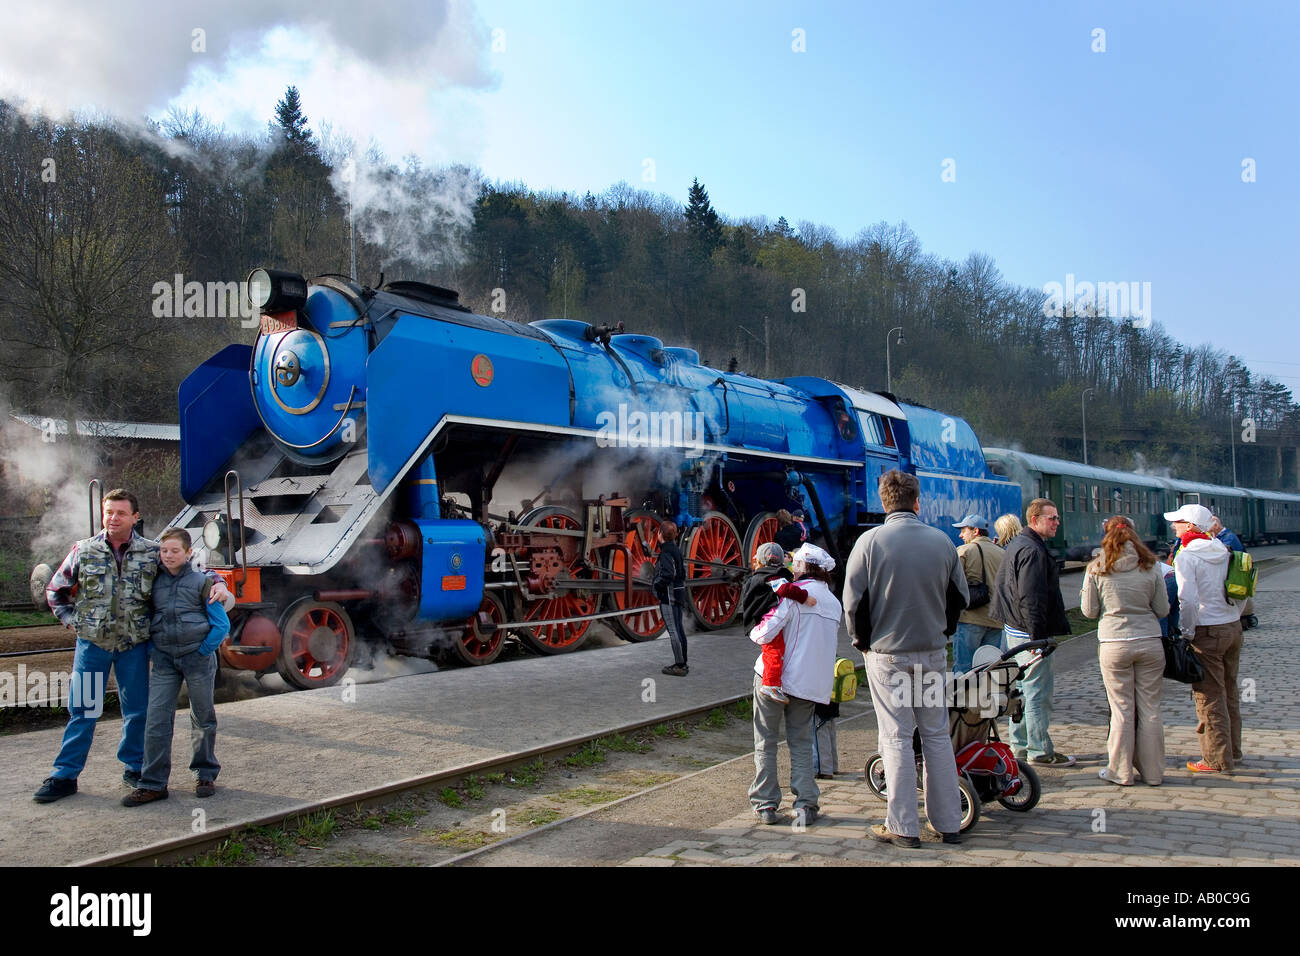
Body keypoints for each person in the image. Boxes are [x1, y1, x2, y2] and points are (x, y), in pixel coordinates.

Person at [35, 489, 232, 804]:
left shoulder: (151, 552)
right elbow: (55, 589)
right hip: (92, 647)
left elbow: (192, 570)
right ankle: (65, 775)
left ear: (135, 518)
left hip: (133, 647)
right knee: (83, 710)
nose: (113, 518)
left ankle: (135, 769)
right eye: (109, 512)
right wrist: (72, 622)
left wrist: (218, 582)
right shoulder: (83, 551)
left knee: (137, 712)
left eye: (121, 513)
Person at [843, 470, 968, 847]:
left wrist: (861, 641)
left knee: (895, 737)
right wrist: (943, 633)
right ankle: (948, 824)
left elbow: (853, 603)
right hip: (931, 653)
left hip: (887, 656)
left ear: (884, 502)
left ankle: (902, 827)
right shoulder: (943, 542)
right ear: (918, 502)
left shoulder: (868, 543)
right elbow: (959, 597)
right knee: (936, 736)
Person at [122, 528, 230, 805]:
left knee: (202, 716)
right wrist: (154, 649)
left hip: (198, 660)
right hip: (164, 661)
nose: (168, 555)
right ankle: (153, 783)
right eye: (164, 550)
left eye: (174, 551)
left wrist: (203, 650)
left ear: (188, 553)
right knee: (156, 719)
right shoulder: (153, 582)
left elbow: (222, 624)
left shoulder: (202, 582)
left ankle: (205, 773)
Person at [747, 543, 842, 826]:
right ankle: (805, 804)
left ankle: (765, 804)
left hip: (774, 678)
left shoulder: (793, 597)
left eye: (797, 564)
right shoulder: (834, 603)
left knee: (766, 740)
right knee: (800, 741)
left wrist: (753, 632)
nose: (793, 568)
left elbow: (766, 632)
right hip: (808, 684)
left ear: (804, 567)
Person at [1080, 516, 1169, 786]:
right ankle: (1153, 773)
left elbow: (1089, 611)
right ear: (1134, 534)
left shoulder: (1097, 567)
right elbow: (1163, 609)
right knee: (1150, 708)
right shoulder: (1151, 567)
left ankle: (1121, 771)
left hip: (1114, 643)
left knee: (1121, 709)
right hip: (1150, 642)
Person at [989, 498, 1074, 767]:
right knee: (1037, 693)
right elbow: (1030, 597)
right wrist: (1037, 637)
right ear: (1035, 520)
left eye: (1057, 518)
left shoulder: (1018, 544)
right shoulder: (1032, 551)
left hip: (1015, 628)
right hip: (1028, 633)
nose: (1057, 523)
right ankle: (1039, 750)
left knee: (1022, 691)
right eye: (1053, 518)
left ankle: (1021, 746)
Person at [1165, 504, 1243, 773]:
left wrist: (1187, 632)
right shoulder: (1221, 548)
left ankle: (1216, 759)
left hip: (1207, 630)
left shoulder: (1187, 555)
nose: (1174, 526)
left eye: (1178, 522)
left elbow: (1187, 600)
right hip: (1231, 625)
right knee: (1229, 691)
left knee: (1209, 696)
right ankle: (1233, 749)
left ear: (1189, 526)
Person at [740, 541, 815, 704]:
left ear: (759, 562)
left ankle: (772, 683)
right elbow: (784, 590)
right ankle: (770, 684)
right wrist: (804, 597)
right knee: (774, 650)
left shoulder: (760, 575)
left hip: (758, 619)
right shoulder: (773, 577)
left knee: (773, 650)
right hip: (763, 621)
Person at [952, 514, 1005, 675]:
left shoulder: (965, 551)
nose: (961, 535)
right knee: (989, 669)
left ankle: (964, 699)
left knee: (964, 669)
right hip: (996, 621)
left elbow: (952, 583)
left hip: (971, 619)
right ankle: (986, 699)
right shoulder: (1001, 552)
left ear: (975, 531)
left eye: (963, 530)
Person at [653, 519, 689, 677]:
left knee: (673, 631)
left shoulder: (666, 552)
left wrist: (657, 585)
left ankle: (680, 665)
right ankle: (682, 662)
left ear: (660, 534)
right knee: (679, 629)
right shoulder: (676, 550)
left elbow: (668, 574)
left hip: (669, 596)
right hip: (678, 593)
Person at [1209, 514, 1256, 629]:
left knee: (1237, 594)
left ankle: (1244, 616)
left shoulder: (1228, 537)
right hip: (1234, 572)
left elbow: (1223, 553)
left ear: (1215, 525)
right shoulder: (1225, 535)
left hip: (1235, 572)